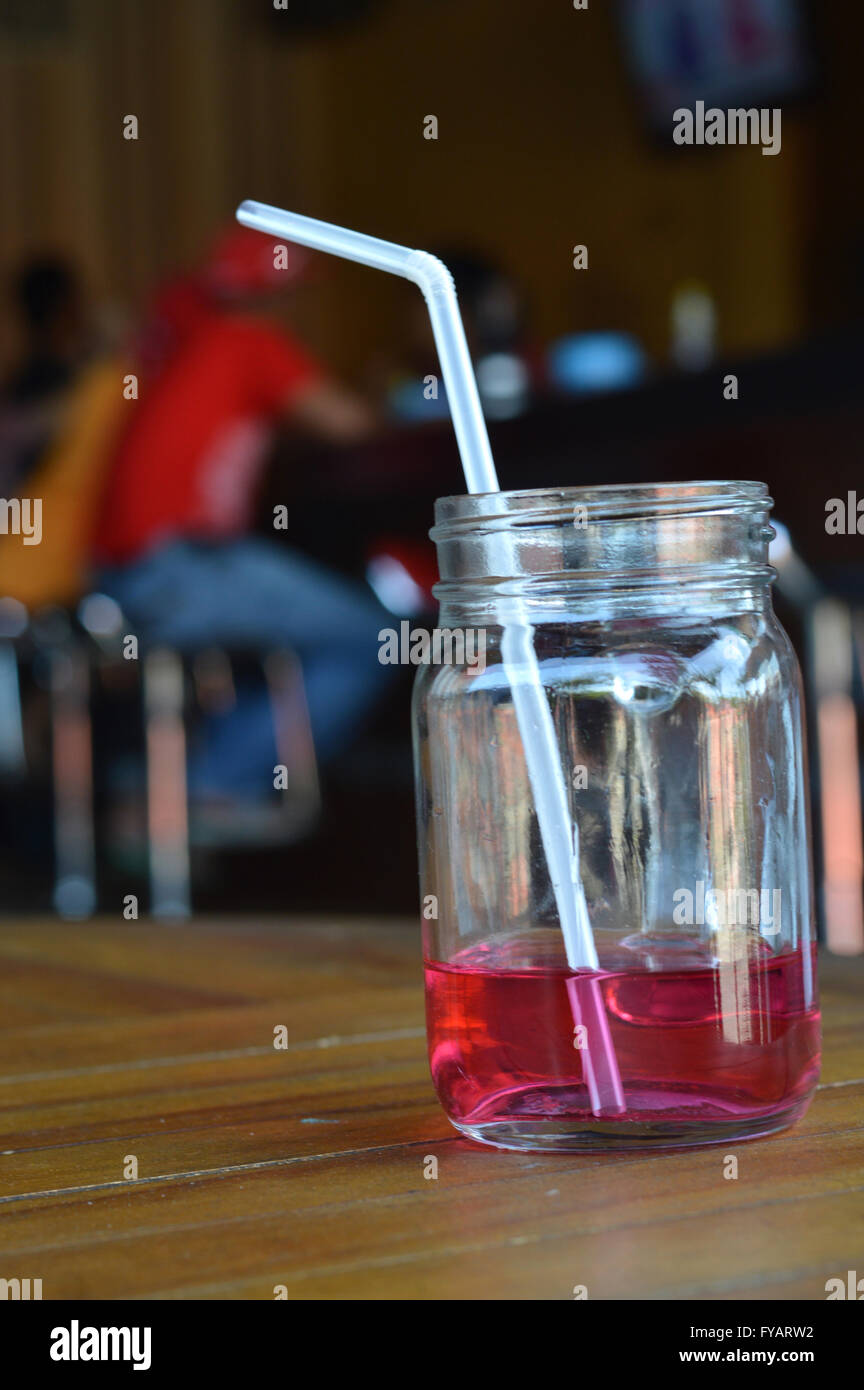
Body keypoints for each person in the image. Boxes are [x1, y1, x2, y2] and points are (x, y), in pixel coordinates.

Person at [91, 224, 393, 803]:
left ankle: (190, 787)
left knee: (295, 640)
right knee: (372, 638)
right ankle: (212, 788)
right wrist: (384, 389)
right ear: (278, 292)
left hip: (131, 571)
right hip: (177, 569)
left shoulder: (188, 345)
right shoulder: (250, 343)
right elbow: (351, 427)